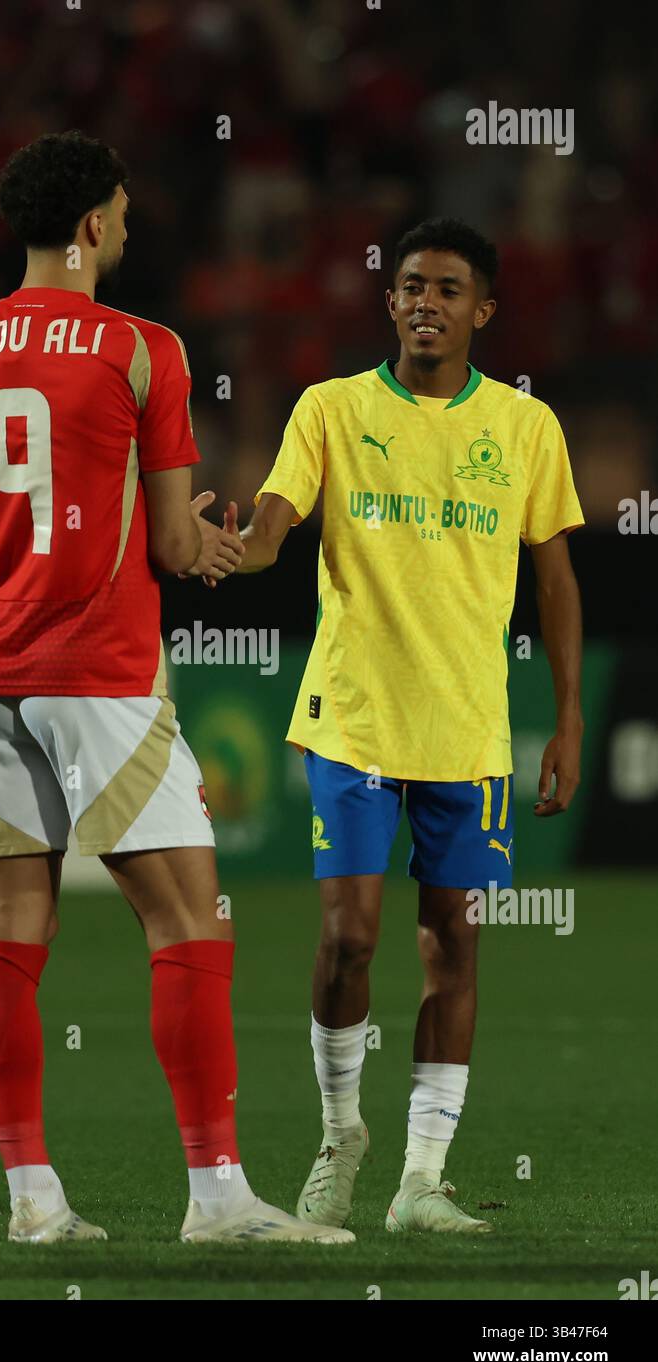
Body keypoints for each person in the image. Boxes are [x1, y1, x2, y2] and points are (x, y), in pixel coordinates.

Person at [0, 130, 353, 1247]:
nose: (130, 227)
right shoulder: (142, 348)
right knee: (189, 920)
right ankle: (216, 1199)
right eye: (125, 212)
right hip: (98, 674)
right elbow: (164, 540)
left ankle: (33, 1202)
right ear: (94, 223)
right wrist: (208, 542)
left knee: (11, 926)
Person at [224, 218, 584, 1233]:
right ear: (388, 303)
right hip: (352, 715)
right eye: (409, 285)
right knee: (347, 936)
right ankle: (340, 1136)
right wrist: (225, 548)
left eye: (447, 288)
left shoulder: (524, 428)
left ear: (483, 310)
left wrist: (563, 716)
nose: (424, 301)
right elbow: (271, 529)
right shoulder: (330, 409)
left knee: (451, 945)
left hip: (468, 731)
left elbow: (554, 579)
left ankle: (421, 1178)